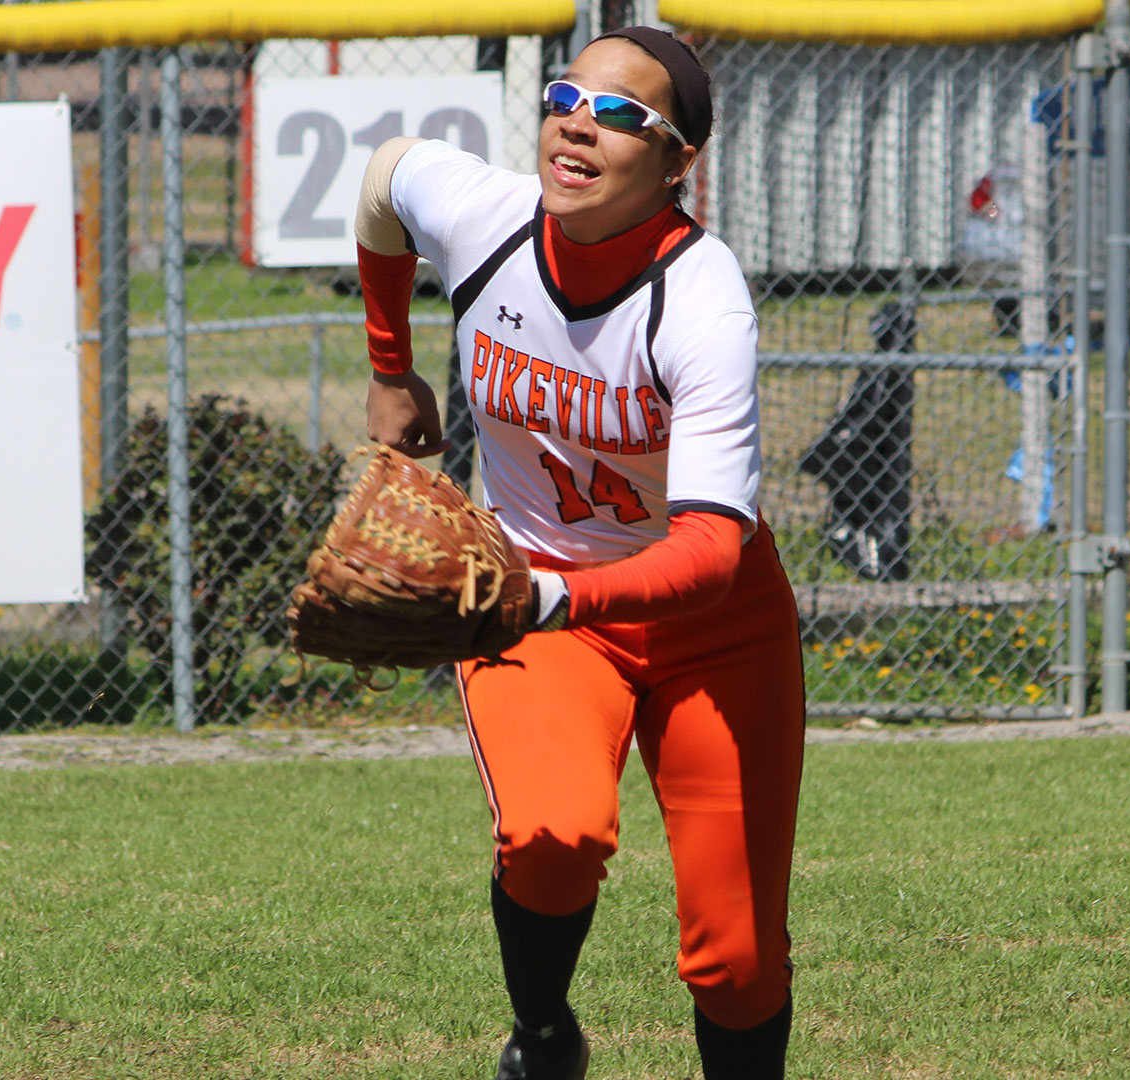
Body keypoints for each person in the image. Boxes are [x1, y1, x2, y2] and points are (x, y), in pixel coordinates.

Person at [350, 26, 803, 1079]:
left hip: (707, 624)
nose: (577, 125)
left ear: (679, 160)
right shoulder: (486, 217)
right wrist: (389, 366)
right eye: (566, 97)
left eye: (619, 115)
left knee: (736, 961)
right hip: (537, 592)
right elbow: (383, 182)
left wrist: (552, 597)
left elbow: (710, 556)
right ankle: (545, 1034)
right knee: (552, 839)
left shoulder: (701, 298)